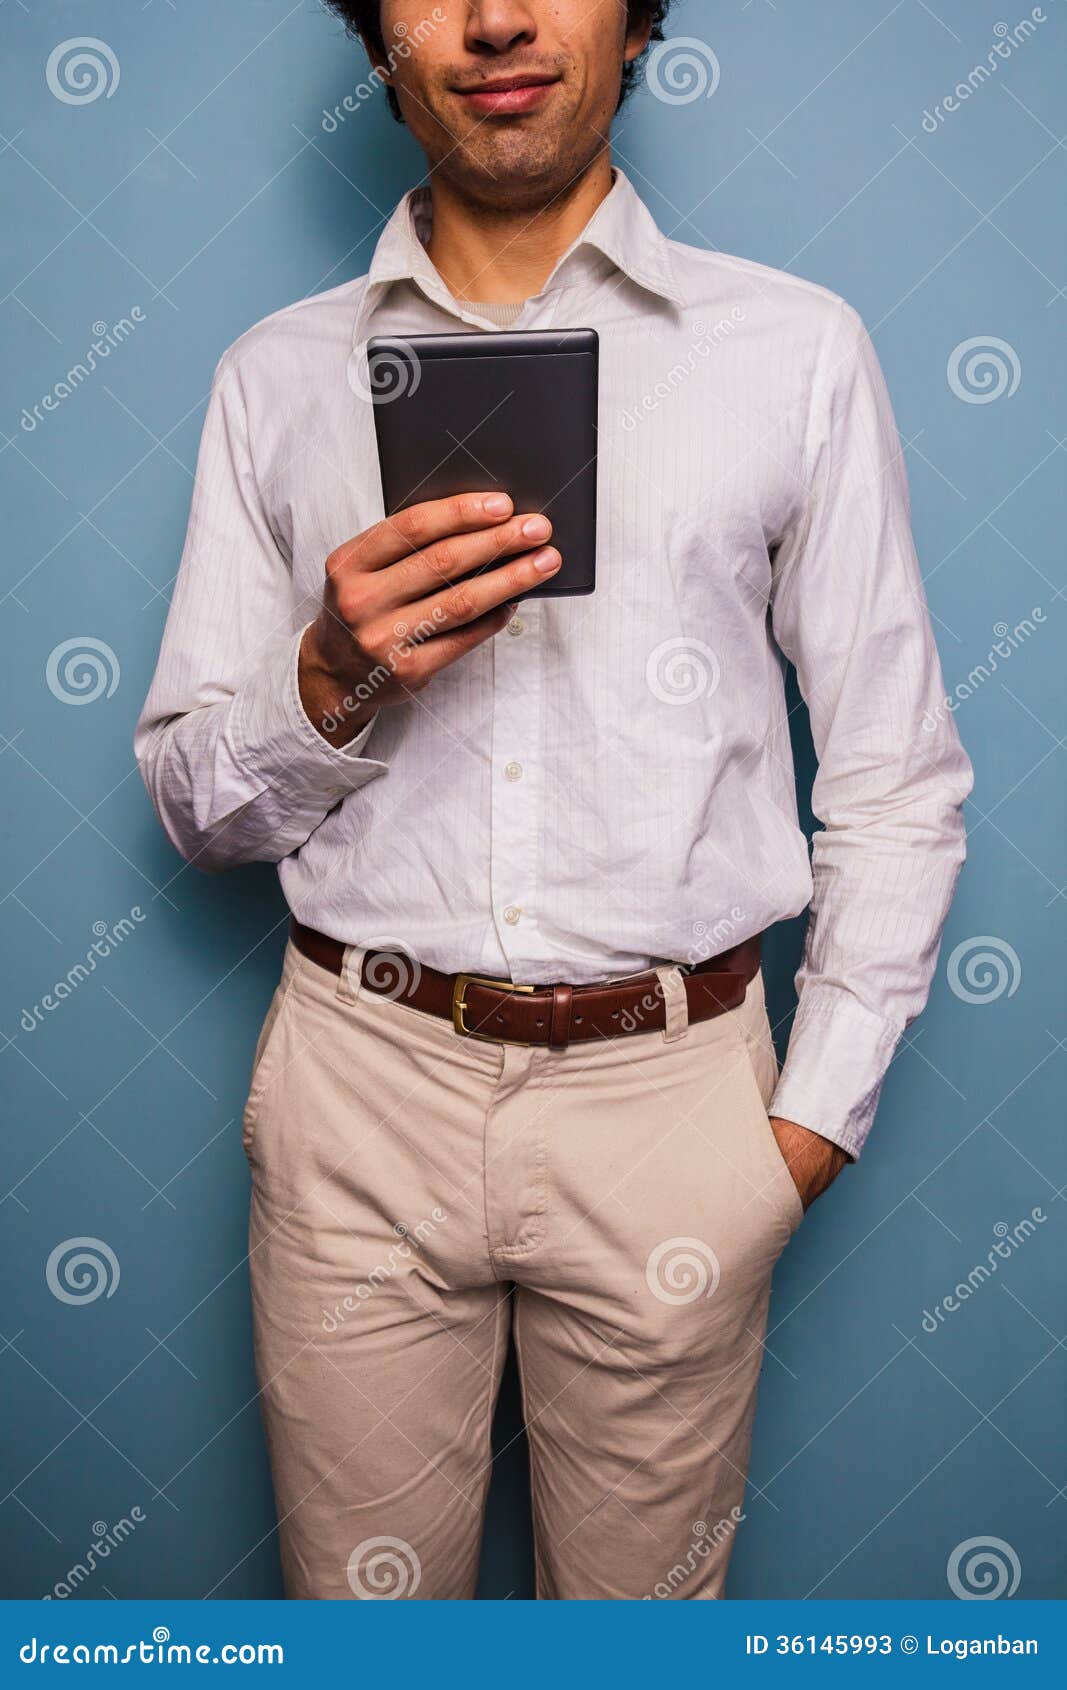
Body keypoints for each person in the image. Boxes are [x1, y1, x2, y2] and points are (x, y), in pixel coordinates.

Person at [135, 0, 972, 1600]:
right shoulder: (278, 377)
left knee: (640, 1643)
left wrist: (802, 1127)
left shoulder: (794, 349)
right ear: (378, 34)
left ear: (642, 19)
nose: (500, 16)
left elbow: (895, 772)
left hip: (678, 1106)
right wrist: (329, 672)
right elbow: (191, 807)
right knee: (364, 1632)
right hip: (358, 1097)